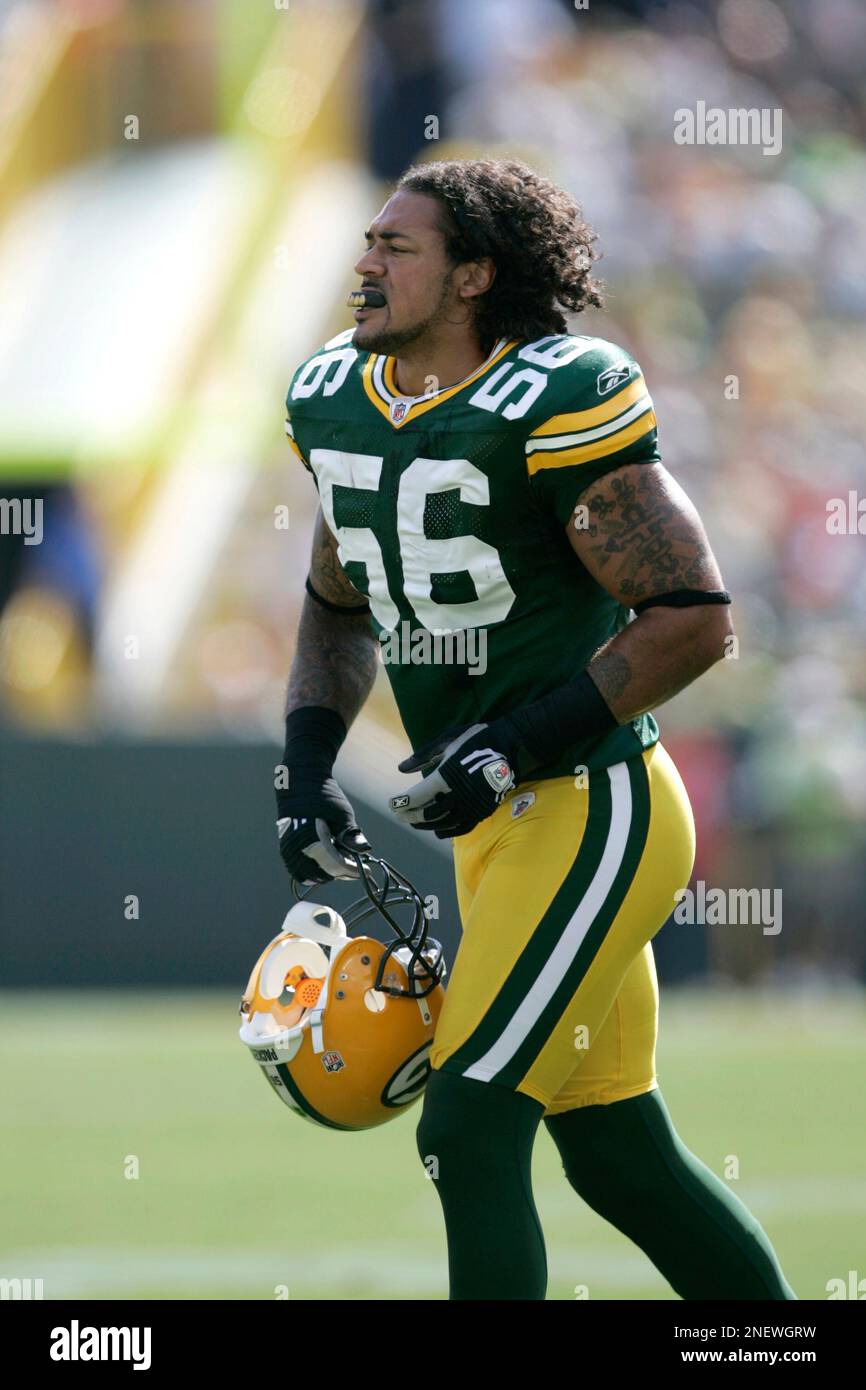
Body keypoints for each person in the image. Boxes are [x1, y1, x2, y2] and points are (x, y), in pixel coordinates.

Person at [276, 157, 795, 1300]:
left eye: (394, 247)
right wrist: (307, 765)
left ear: (472, 276)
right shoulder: (335, 397)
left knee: (465, 1127)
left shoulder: (551, 398)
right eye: (367, 240)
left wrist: (516, 739)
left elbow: (694, 621)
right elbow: (336, 598)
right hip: (496, 827)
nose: (363, 264)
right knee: (613, 1150)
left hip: (590, 803)